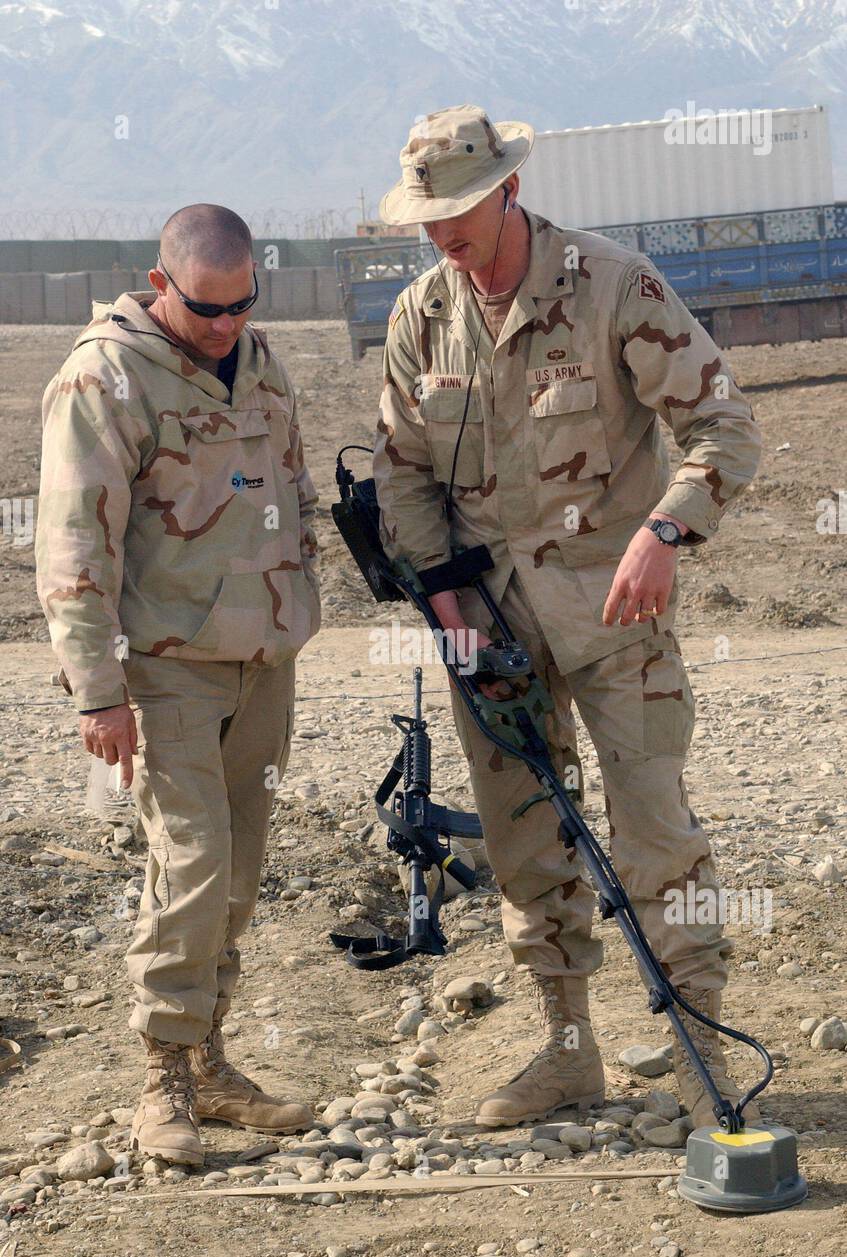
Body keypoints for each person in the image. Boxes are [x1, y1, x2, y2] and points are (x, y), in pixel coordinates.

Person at [372, 106, 762, 1129]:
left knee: (652, 827)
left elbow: (722, 424)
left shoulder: (611, 286)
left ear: (507, 190)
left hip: (612, 612)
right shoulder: (420, 316)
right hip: (489, 631)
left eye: (457, 210)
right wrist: (450, 610)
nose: (441, 233)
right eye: (426, 218)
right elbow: (402, 476)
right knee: (522, 842)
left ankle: (699, 1046)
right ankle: (566, 1049)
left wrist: (666, 534)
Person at [36, 204, 321, 1165]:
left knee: (237, 872)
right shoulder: (104, 377)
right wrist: (96, 689)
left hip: (261, 662)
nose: (227, 324)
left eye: (244, 303)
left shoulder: (260, 359)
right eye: (207, 308)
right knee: (191, 865)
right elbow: (74, 542)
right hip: (164, 671)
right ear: (162, 285)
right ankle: (160, 1083)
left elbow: (290, 486)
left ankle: (210, 1062)